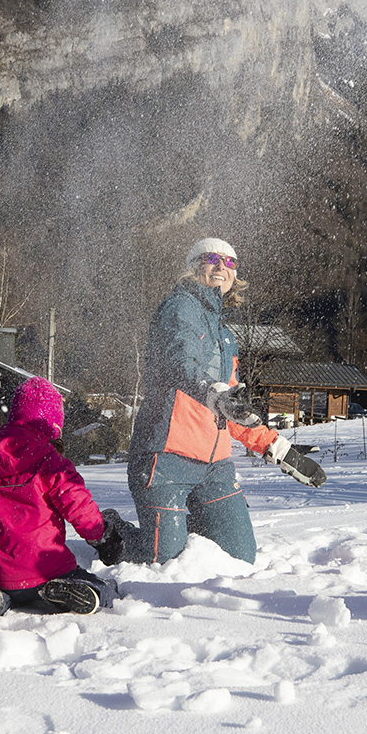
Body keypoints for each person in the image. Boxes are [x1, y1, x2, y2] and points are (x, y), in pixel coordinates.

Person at [126, 238, 325, 564]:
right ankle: (117, 538)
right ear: (195, 266)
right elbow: (182, 363)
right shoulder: (179, 308)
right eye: (212, 259)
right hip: (166, 460)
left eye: (230, 262)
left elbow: (232, 406)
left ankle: (179, 531)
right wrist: (213, 393)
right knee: (165, 564)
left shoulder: (225, 334)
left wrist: (277, 447)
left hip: (215, 467)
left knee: (239, 556)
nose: (222, 267)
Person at [0, 376, 127, 616]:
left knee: (9, 592)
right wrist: (101, 535)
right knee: (103, 587)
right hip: (49, 569)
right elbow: (77, 503)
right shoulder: (49, 462)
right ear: (53, 425)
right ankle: (85, 592)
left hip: (2, 573)